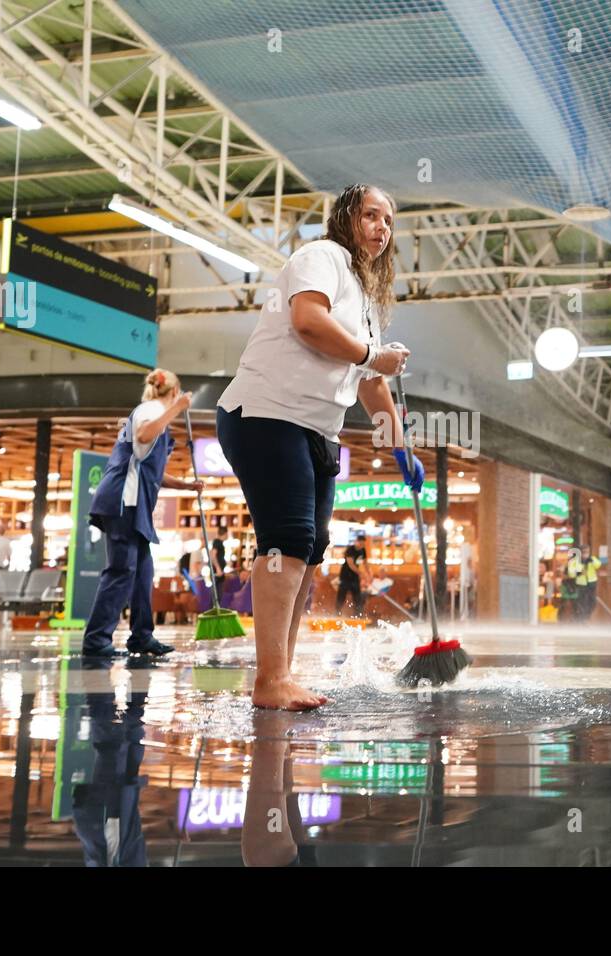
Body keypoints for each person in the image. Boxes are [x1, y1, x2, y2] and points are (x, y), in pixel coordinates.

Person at [216, 184, 419, 710]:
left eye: (389, 221)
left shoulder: (368, 299)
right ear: (346, 218)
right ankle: (270, 681)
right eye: (371, 215)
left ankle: (279, 673)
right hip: (266, 413)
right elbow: (308, 322)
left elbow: (370, 380)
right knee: (287, 539)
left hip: (315, 429)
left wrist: (400, 446)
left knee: (309, 549)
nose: (382, 227)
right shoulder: (322, 256)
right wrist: (373, 356)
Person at [82, 369, 203, 657]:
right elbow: (144, 433)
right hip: (124, 500)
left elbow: (151, 470)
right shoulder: (151, 410)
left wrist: (185, 485)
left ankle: (141, 635)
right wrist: (176, 409)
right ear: (174, 392)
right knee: (122, 570)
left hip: (135, 502)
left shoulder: (155, 414)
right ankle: (96, 639)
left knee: (142, 572)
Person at [336, 532, 367, 616]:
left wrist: (369, 574)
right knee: (341, 596)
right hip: (345, 576)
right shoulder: (350, 550)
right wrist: (360, 573)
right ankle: (337, 613)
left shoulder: (363, 550)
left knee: (357, 597)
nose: (361, 546)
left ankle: (358, 615)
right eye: (360, 543)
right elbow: (351, 564)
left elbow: (365, 563)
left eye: (363, 544)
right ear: (356, 541)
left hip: (355, 577)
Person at [210, 526, 227, 600]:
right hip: (217, 574)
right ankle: (215, 611)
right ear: (225, 533)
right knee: (216, 597)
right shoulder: (217, 542)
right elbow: (213, 556)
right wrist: (218, 568)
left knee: (218, 596)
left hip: (219, 574)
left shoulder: (219, 543)